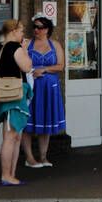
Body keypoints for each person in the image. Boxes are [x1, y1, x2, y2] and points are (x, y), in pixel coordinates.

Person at [0, 19, 34, 186]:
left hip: (3, 94)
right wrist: (25, 50)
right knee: (10, 136)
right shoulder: (15, 48)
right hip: (15, 95)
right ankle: (6, 175)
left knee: (15, 135)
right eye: (21, 32)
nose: (22, 35)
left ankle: (12, 174)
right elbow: (27, 67)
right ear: (13, 32)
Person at [22, 15, 65, 168]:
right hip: (32, 87)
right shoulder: (27, 44)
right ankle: (29, 157)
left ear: (47, 29)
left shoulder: (55, 45)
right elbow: (20, 62)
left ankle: (43, 156)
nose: (36, 30)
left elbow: (61, 66)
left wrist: (45, 69)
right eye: (34, 27)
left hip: (49, 88)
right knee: (27, 122)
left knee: (45, 121)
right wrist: (32, 70)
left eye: (39, 27)